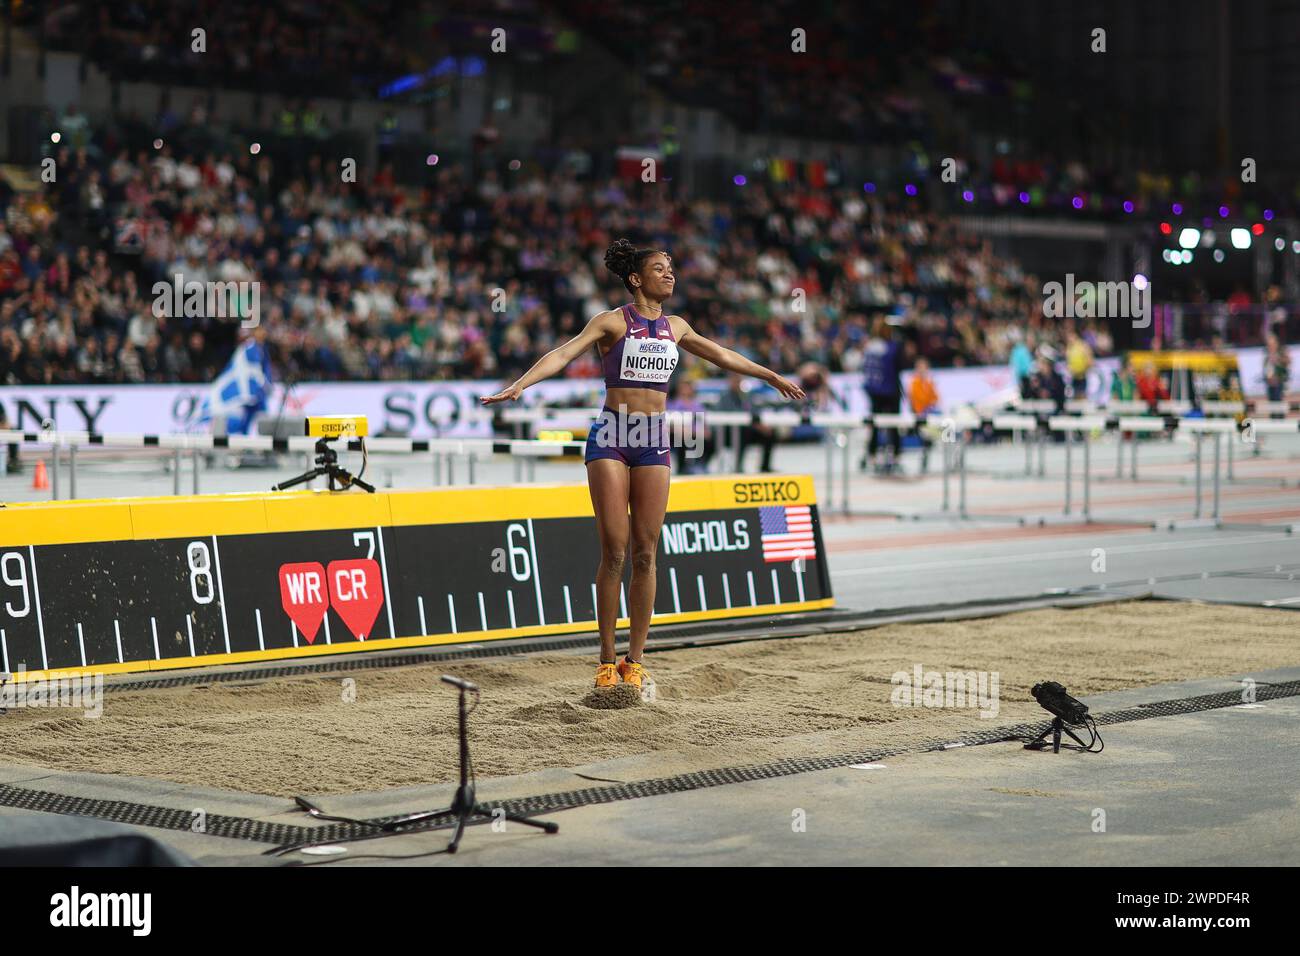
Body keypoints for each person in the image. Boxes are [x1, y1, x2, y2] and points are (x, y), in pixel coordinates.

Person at [481, 239, 805, 691]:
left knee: (646, 552)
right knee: (614, 550)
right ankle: (605, 660)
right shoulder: (612, 322)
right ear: (637, 278)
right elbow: (562, 354)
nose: (670, 274)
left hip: (653, 438)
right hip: (612, 435)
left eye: (671, 267)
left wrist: (769, 376)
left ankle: (635, 660)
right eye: (660, 268)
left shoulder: (676, 326)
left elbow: (724, 355)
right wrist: (520, 386)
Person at [860, 317, 903, 473]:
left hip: (875, 392)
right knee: (893, 426)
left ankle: (872, 456)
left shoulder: (870, 346)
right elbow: (899, 367)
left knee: (875, 426)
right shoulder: (892, 347)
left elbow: (865, 370)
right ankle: (895, 457)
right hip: (890, 390)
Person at [713, 370, 777, 472]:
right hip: (728, 431)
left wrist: (759, 425)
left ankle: (765, 466)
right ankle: (738, 467)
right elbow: (728, 415)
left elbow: (754, 412)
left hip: (748, 428)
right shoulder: (724, 397)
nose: (737, 382)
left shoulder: (747, 396)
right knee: (741, 433)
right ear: (729, 381)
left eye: (739, 379)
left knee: (770, 433)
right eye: (734, 379)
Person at [908, 357, 941, 473]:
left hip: (931, 414)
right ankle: (925, 453)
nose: (922, 370)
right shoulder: (914, 383)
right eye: (920, 367)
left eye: (924, 367)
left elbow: (936, 398)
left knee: (948, 425)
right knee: (927, 432)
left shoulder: (929, 382)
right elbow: (918, 401)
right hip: (921, 415)